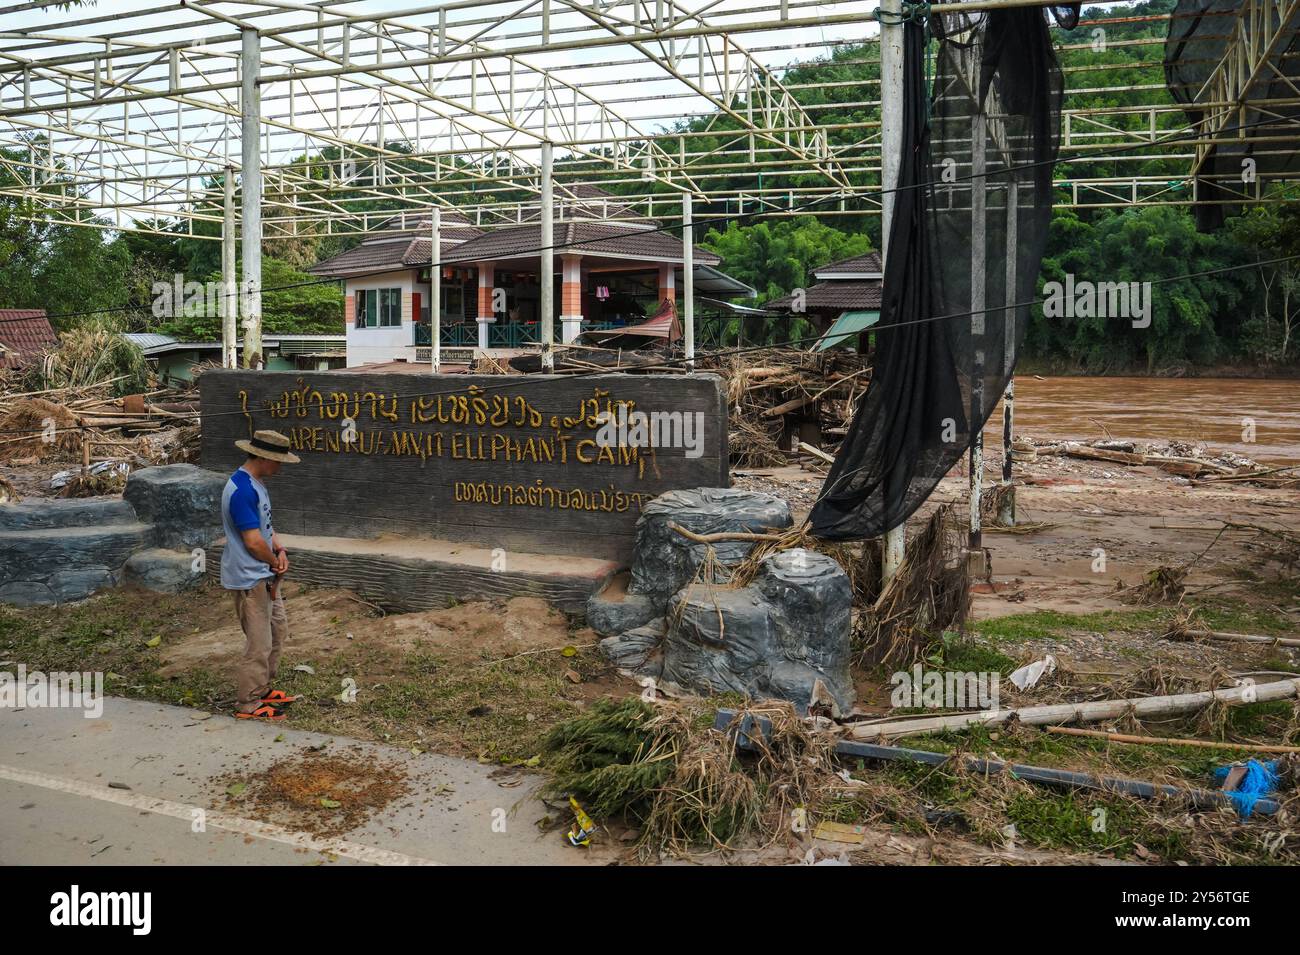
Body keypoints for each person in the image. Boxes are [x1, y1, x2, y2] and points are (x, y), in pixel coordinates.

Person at [221, 429, 301, 721]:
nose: (280, 468)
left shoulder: (254, 484)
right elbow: (252, 541)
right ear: (265, 458)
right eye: (278, 461)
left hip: (263, 574)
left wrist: (277, 546)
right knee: (258, 643)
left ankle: (263, 688)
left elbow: (263, 528)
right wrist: (274, 562)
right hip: (250, 577)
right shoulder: (242, 490)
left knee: (277, 631)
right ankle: (249, 703)